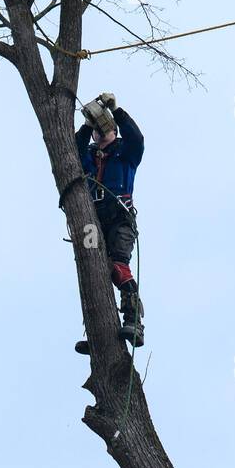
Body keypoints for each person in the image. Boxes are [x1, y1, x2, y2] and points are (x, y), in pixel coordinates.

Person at [73, 92, 145, 352]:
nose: (100, 135)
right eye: (97, 131)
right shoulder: (88, 158)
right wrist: (87, 124)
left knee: (117, 264)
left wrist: (117, 111)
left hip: (120, 219)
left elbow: (137, 140)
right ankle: (96, 333)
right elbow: (73, 147)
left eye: (105, 129)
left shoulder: (125, 153)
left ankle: (133, 320)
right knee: (92, 267)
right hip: (93, 221)